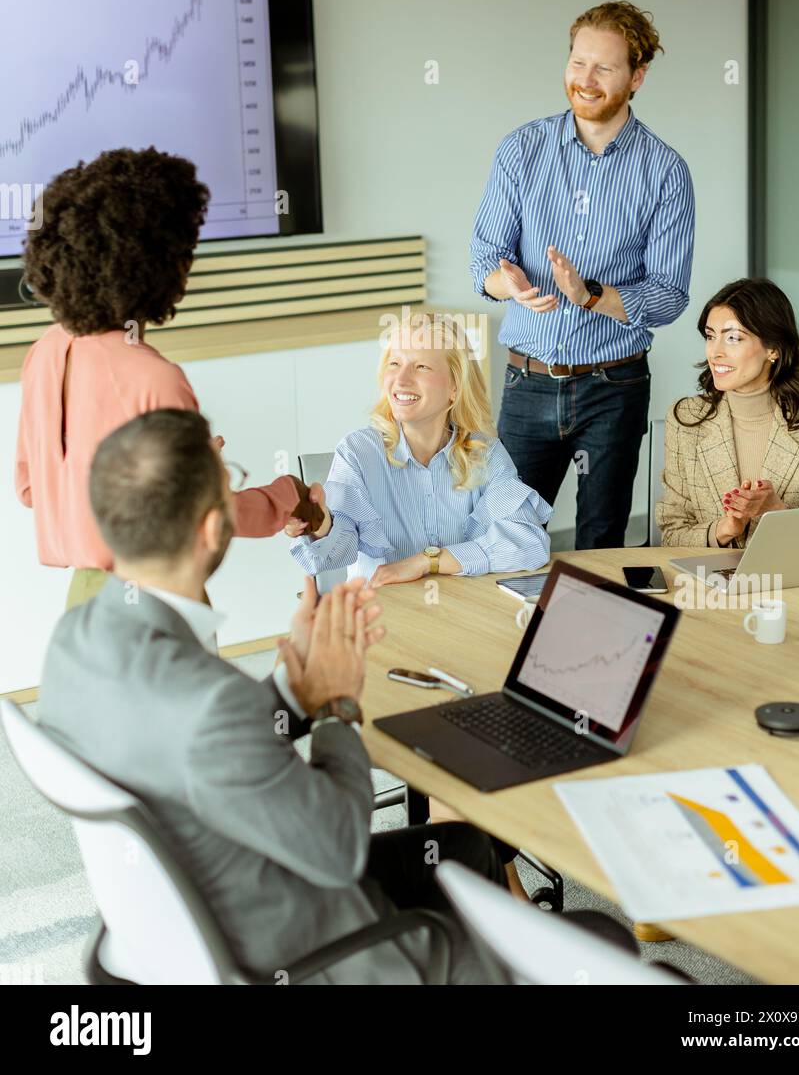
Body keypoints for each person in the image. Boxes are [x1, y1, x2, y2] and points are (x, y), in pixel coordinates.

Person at [37, 408, 512, 985]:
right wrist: (338, 706)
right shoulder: (213, 701)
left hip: (185, 917)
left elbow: (196, 748)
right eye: (230, 485)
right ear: (215, 531)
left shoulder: (74, 640)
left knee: (464, 846)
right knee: (592, 932)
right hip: (293, 941)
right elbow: (340, 849)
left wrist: (295, 690)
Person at [14, 147, 303, 609]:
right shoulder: (154, 378)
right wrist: (285, 497)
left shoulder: (45, 351)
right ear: (159, 264)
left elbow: (33, 488)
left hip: (82, 603)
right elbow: (201, 523)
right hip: (157, 600)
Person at [470, 0, 695, 549]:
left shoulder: (666, 172)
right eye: (577, 63)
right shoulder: (522, 150)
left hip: (613, 388)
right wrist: (510, 286)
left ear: (636, 77)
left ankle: (594, 639)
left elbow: (668, 297)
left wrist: (590, 295)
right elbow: (483, 260)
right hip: (528, 384)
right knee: (506, 538)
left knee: (602, 542)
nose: (585, 80)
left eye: (604, 68)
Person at [284, 311, 551, 587]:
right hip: (384, 618)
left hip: (460, 614)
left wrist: (427, 561)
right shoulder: (358, 452)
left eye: (421, 366)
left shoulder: (486, 453)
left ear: (455, 387)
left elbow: (529, 543)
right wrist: (318, 524)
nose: (400, 380)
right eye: (394, 363)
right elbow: (336, 550)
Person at [657, 278, 799, 548]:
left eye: (733, 338)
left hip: (791, 584)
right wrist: (725, 529)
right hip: (708, 583)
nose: (715, 352)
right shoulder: (685, 420)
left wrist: (777, 512)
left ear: (773, 349)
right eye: (711, 336)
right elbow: (671, 533)